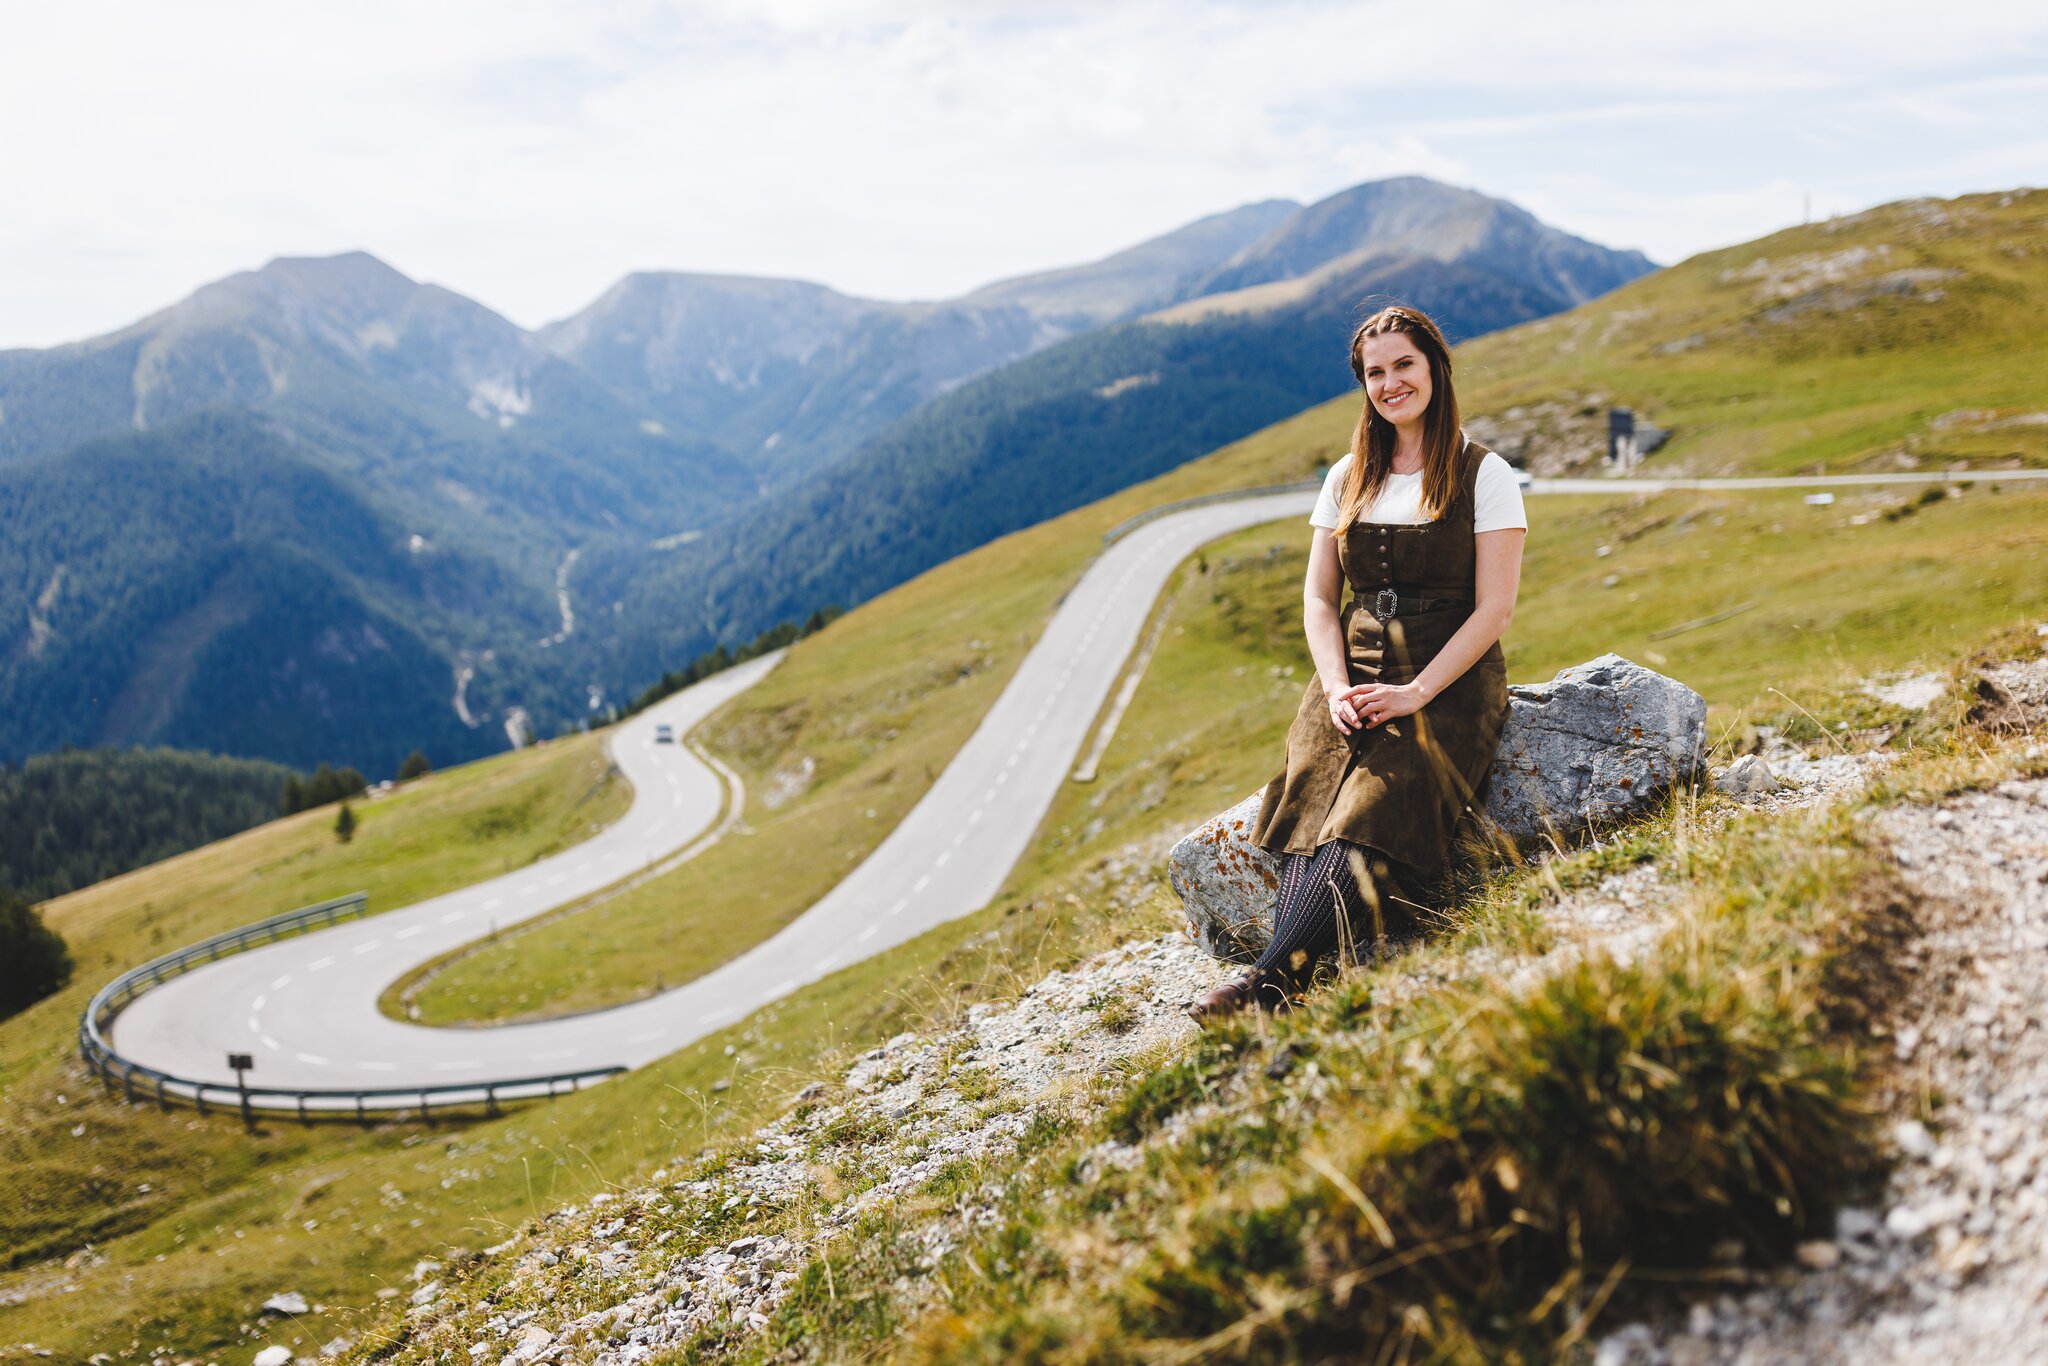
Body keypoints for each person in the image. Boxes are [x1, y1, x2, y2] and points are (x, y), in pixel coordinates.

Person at [1188, 303, 1527, 1024]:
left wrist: (1416, 693)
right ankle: (1284, 971)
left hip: (1448, 677)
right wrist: (1338, 686)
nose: (1391, 382)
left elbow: (1495, 609)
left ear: (1435, 366)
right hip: (1352, 669)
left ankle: (1271, 984)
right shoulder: (1349, 474)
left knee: (1373, 807)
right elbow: (1318, 598)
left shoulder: (1483, 473)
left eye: (1404, 364)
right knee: (1313, 804)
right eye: (1376, 372)